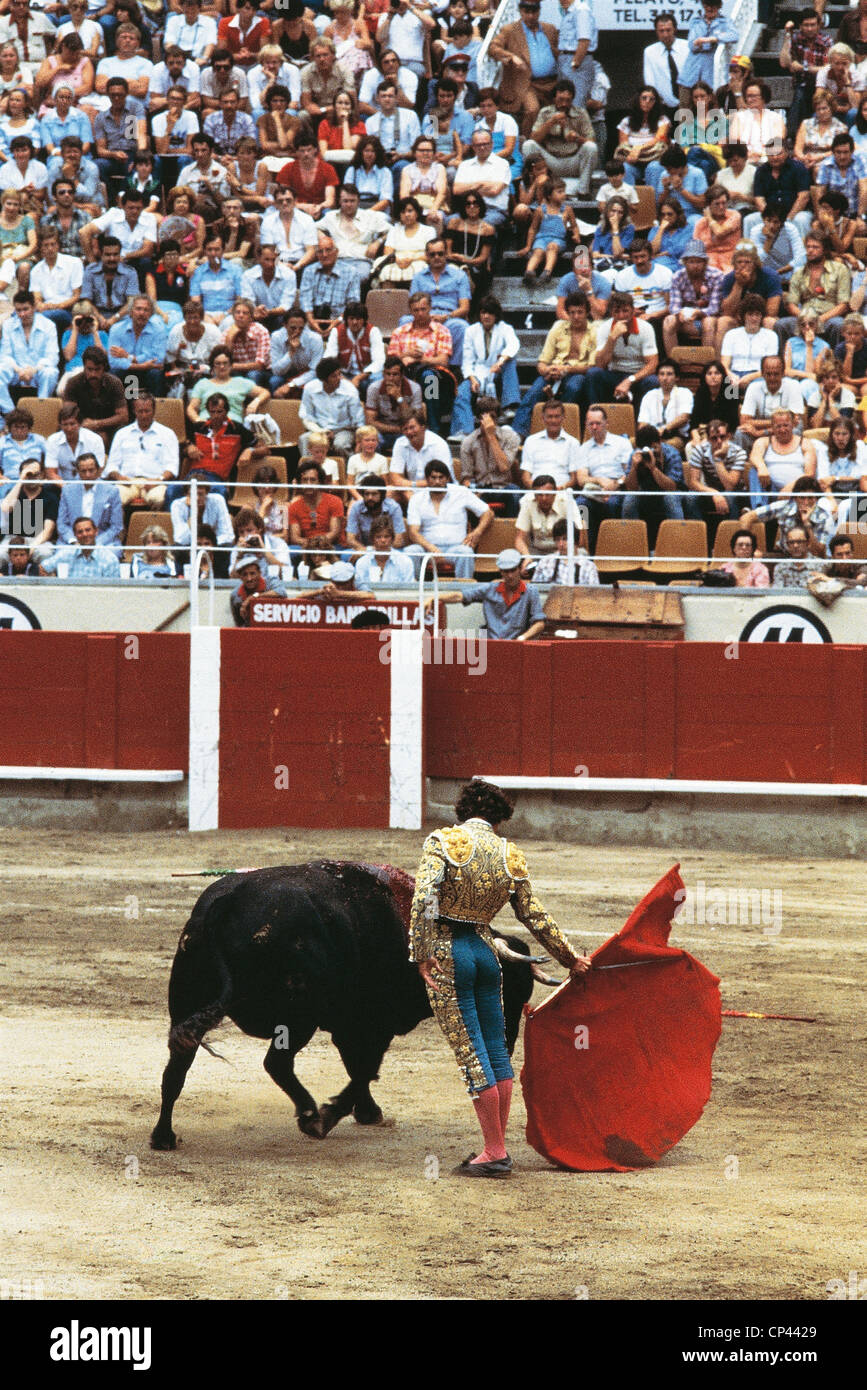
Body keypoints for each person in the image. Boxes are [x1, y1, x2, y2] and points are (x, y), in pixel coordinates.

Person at [406, 778, 588, 1175]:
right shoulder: (510, 855)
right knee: (493, 1048)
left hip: (449, 954)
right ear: (499, 818)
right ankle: (496, 1147)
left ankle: (494, 1152)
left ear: (462, 810)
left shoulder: (444, 841)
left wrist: (420, 954)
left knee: (472, 1054)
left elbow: (424, 900)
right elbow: (534, 915)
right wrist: (570, 957)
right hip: (489, 954)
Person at [512, 289, 596, 437]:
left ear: (587, 312)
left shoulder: (595, 331)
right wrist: (547, 371)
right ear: (567, 313)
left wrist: (567, 370)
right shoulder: (558, 327)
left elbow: (592, 366)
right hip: (554, 371)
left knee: (574, 387)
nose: (576, 317)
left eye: (580, 312)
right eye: (572, 313)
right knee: (534, 391)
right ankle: (518, 433)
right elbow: (542, 362)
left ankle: (563, 430)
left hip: (577, 373)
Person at [451, 295, 519, 436]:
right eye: (483, 312)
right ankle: (464, 431)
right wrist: (472, 378)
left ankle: (510, 405)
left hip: (498, 373)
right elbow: (467, 360)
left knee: (510, 361)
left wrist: (499, 362)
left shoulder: (505, 328)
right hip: (478, 372)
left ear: (496, 315)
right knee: (462, 392)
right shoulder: (471, 331)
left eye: (490, 313)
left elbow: (514, 345)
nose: (486, 316)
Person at [583, 290, 659, 412]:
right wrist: (612, 338)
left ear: (633, 310)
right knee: (593, 373)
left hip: (637, 375)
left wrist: (630, 380)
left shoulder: (646, 328)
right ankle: (596, 415)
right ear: (611, 312)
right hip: (615, 374)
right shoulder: (604, 328)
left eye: (625, 311)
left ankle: (643, 423)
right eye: (616, 311)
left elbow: (653, 364)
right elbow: (600, 364)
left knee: (652, 381)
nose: (621, 316)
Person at [520, 77, 598, 194]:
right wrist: (551, 122)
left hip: (573, 161)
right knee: (528, 145)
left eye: (568, 100)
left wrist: (577, 138)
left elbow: (591, 141)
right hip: (550, 162)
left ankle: (583, 192)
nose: (564, 104)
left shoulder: (581, 113)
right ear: (554, 98)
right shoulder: (545, 112)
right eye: (561, 99)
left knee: (591, 147)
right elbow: (534, 138)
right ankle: (536, 189)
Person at [776, 230, 851, 348]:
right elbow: (791, 304)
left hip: (828, 318)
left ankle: (836, 363)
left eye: (815, 247)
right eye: (808, 247)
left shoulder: (840, 269)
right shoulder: (799, 273)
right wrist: (805, 319)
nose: (810, 250)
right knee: (781, 324)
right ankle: (784, 363)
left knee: (839, 324)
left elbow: (844, 304)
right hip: (804, 316)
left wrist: (820, 319)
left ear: (825, 250)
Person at [105, 392, 180, 506]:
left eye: (147, 411)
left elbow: (172, 467)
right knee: (113, 498)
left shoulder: (167, 434)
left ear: (154, 411)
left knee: (159, 499)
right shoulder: (122, 434)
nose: (144, 415)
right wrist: (119, 477)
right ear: (134, 411)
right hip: (128, 482)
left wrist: (158, 480)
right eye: (140, 411)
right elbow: (111, 465)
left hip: (155, 482)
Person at [741, 474, 838, 558]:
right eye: (802, 498)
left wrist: (807, 524)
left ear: (816, 499)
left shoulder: (824, 517)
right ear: (795, 498)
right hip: (784, 555)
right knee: (757, 557)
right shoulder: (784, 506)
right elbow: (746, 518)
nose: (806, 502)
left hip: (810, 559)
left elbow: (819, 553)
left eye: (810, 498)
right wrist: (752, 548)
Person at [620, 425, 684, 546]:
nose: (650, 452)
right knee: (629, 499)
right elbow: (631, 487)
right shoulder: (636, 455)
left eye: (654, 447)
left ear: (660, 442)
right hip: (645, 492)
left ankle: (678, 544)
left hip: (670, 493)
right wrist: (634, 467)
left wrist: (653, 468)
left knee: (670, 498)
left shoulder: (671, 453)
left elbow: (672, 487)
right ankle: (632, 546)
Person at [0, 289, 58, 413]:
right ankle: (10, 413)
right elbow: (5, 355)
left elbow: (52, 357)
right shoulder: (8, 325)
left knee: (51, 373)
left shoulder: (48, 325)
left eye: (25, 309)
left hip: (38, 371)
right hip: (16, 372)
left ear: (34, 307)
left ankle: (40, 412)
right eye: (18, 310)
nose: (22, 314)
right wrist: (19, 370)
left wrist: (33, 370)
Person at [685, 418, 747, 533]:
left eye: (722, 437)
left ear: (729, 436)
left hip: (735, 493)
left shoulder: (739, 452)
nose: (719, 441)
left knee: (729, 496)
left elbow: (730, 486)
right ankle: (698, 539)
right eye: (714, 438)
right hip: (712, 490)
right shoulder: (700, 450)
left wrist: (717, 459)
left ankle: (732, 537)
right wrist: (714, 493)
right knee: (690, 497)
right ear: (708, 439)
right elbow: (693, 482)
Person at [662, 239, 724, 354]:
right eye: (691, 262)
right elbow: (674, 306)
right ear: (685, 262)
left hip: (709, 318)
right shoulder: (678, 276)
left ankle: (707, 364)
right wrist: (679, 313)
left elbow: (715, 308)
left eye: (699, 262)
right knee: (669, 320)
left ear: (705, 262)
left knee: (708, 323)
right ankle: (672, 363)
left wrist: (698, 313)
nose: (695, 266)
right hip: (686, 319)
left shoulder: (717, 275)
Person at [61, 344, 128, 448]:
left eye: (97, 369)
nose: (93, 374)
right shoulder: (73, 383)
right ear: (84, 367)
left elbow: (123, 417)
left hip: (108, 427)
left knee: (120, 432)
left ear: (104, 368)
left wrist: (97, 424)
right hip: (81, 427)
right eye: (89, 369)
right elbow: (68, 414)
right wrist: (86, 426)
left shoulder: (114, 383)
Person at [298, 232, 363, 340]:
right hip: (312, 320)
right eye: (320, 251)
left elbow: (353, 304)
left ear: (336, 252)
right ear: (316, 254)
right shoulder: (309, 271)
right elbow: (305, 300)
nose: (324, 254)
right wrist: (311, 321)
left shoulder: (351, 272)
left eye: (328, 250)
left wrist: (336, 323)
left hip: (340, 320)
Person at [56, 451, 123, 554]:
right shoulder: (67, 491)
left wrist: (95, 543)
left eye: (91, 470)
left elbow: (116, 526)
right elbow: (62, 523)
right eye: (83, 471)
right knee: (63, 554)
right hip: (75, 539)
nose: (87, 475)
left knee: (111, 553)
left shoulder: (112, 491)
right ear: (78, 472)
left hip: (102, 540)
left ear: (98, 470)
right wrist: (74, 541)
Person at [737, 355, 806, 452]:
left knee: (795, 430)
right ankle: (743, 464)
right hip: (772, 431)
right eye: (768, 374)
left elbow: (794, 422)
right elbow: (744, 421)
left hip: (784, 432)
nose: (772, 378)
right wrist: (779, 424)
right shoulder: (753, 387)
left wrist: (761, 432)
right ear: (762, 374)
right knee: (741, 432)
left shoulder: (793, 385)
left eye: (776, 374)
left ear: (783, 373)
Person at [299, 355, 365, 456]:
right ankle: (308, 469)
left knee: (340, 445)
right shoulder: (310, 388)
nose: (339, 378)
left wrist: (359, 441)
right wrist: (321, 431)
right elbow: (307, 417)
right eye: (334, 376)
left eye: (340, 374)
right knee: (304, 439)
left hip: (343, 430)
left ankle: (347, 470)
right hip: (319, 429)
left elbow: (358, 421)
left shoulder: (350, 390)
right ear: (324, 379)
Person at [749, 409, 817, 504]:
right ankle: (759, 507)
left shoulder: (805, 443)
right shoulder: (764, 441)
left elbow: (810, 474)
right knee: (754, 470)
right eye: (778, 426)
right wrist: (761, 467)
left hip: (796, 493)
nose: (782, 430)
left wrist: (791, 488)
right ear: (772, 427)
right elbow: (754, 456)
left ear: (793, 425)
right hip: (770, 492)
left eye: (786, 425)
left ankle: (761, 512)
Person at [452, 127, 511, 229]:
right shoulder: (464, 165)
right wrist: (482, 184)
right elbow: (456, 190)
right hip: (468, 209)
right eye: (478, 145)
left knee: (480, 225)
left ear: (492, 144)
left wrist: (469, 189)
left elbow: (494, 191)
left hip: (493, 210)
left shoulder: (502, 164)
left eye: (486, 144)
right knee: (451, 221)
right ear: (473, 146)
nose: (482, 147)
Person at [515, 474, 586, 558]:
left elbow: (580, 540)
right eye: (540, 495)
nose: (544, 498)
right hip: (536, 551)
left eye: (547, 494)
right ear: (534, 495)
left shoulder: (567, 501)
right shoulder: (528, 502)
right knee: (516, 557)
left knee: (582, 554)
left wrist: (558, 554)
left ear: (555, 493)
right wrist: (527, 557)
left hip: (564, 551)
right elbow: (519, 539)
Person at [324, 300, 385, 396]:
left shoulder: (373, 331)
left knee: (379, 380)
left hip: (365, 375)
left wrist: (358, 378)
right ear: (346, 320)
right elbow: (329, 360)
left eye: (358, 319)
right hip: (341, 375)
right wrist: (344, 380)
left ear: (364, 320)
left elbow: (379, 361)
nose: (355, 322)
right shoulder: (337, 332)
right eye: (351, 318)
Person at [678, 0, 739, 95]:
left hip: (710, 75)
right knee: (685, 108)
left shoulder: (725, 21)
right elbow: (692, 44)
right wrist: (709, 44)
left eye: (713, 5)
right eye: (707, 5)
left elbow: (734, 35)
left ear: (719, 6)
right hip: (690, 73)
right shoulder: (696, 21)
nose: (709, 8)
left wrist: (712, 39)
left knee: (703, 108)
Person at [364, 354, 422, 452]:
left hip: (406, 430)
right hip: (383, 430)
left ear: (402, 375)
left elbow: (416, 420)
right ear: (383, 374)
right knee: (371, 439)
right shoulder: (374, 388)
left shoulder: (415, 388)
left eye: (395, 374)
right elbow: (370, 422)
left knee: (416, 437)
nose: (390, 378)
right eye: (388, 374)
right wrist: (396, 429)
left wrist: (399, 398)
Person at [719, 293, 780, 385]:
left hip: (758, 376)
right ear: (744, 316)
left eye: (757, 314)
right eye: (750, 314)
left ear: (762, 316)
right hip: (734, 374)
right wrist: (731, 376)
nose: (754, 318)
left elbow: (769, 367)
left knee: (759, 385)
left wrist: (748, 378)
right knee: (728, 388)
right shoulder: (731, 335)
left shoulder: (771, 336)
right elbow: (724, 365)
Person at [388, 410, 454, 492]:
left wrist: (411, 486)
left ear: (423, 427)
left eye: (412, 427)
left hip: (437, 489)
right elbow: (395, 477)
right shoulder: (400, 443)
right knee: (389, 493)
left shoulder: (438, 444)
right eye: (405, 429)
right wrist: (411, 489)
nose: (409, 432)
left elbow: (443, 479)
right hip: (411, 489)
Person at [40, 513, 120, 579]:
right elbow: (43, 567)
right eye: (80, 532)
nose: (84, 534)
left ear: (96, 532)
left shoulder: (109, 558)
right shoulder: (66, 554)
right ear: (75, 535)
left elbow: (114, 589)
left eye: (88, 530)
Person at [44, 401, 106, 480]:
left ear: (80, 424)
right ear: (60, 425)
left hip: (89, 482)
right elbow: (51, 473)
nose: (69, 429)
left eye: (72, 424)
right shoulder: (52, 440)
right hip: (61, 485)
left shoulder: (95, 439)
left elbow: (99, 470)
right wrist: (67, 489)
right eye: (65, 424)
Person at [345, 474, 406, 553]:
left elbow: (398, 541)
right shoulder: (356, 507)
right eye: (367, 494)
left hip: (390, 550)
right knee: (345, 555)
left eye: (374, 494)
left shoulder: (394, 507)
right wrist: (365, 551)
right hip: (363, 549)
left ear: (382, 495)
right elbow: (350, 539)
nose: (370, 497)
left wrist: (372, 551)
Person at [643, 12, 689, 115]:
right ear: (656, 31)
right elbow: (650, 81)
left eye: (668, 30)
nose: (665, 34)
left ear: (675, 29)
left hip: (688, 105)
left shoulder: (687, 47)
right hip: (664, 107)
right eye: (661, 31)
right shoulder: (650, 52)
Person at [638, 359, 693, 444]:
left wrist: (664, 429)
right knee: (631, 442)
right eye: (661, 374)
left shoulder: (685, 393)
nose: (665, 378)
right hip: (652, 437)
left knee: (669, 445)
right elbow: (642, 422)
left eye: (669, 374)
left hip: (675, 436)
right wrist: (652, 434)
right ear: (657, 377)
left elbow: (684, 417)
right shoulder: (649, 395)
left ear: (677, 377)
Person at [532, 516, 599, 585]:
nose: (561, 544)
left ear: (575, 540)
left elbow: (594, 594)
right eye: (558, 540)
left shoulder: (588, 567)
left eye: (565, 539)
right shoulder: (545, 562)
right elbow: (535, 590)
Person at [353, 513, 414, 585]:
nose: (383, 540)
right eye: (378, 537)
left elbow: (408, 589)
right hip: (368, 596)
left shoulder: (405, 562)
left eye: (386, 536)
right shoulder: (362, 563)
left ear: (392, 538)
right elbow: (360, 587)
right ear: (372, 539)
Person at [231, 551, 288, 626]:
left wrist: (253, 597)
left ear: (259, 573)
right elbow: (239, 624)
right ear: (240, 577)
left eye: (252, 573)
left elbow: (282, 592)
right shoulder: (236, 595)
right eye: (244, 574)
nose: (249, 579)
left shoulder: (270, 582)